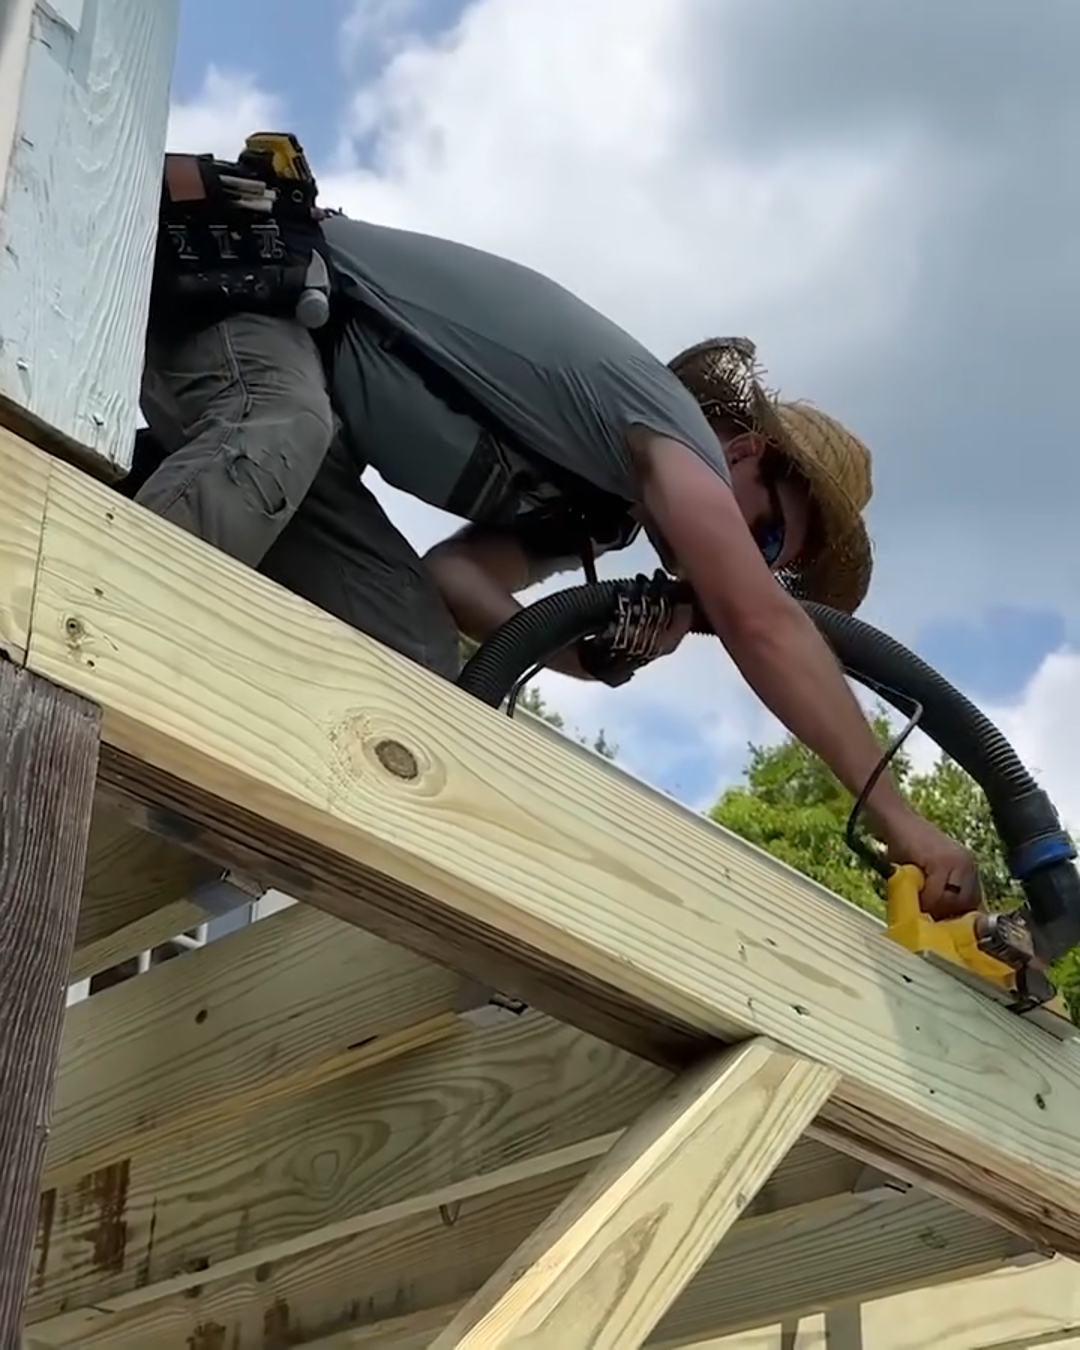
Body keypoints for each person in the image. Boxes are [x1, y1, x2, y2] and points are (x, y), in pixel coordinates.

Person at [125, 166, 981, 920]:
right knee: (277, 432)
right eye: (763, 533)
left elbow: (458, 578)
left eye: (770, 560)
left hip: (292, 421)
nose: (749, 563)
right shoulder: (669, 431)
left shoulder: (596, 508)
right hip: (246, 294)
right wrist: (902, 824)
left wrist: (585, 656)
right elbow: (763, 626)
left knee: (415, 651)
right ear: (746, 453)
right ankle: (92, 638)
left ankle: (195, 817)